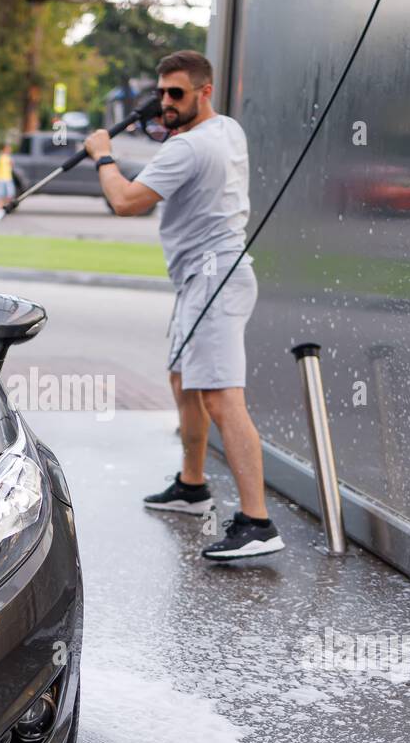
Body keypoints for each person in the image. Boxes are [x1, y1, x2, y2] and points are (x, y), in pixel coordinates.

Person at [83, 50, 283, 561]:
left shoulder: (187, 150)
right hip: (208, 278)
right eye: (161, 93)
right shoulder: (227, 131)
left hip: (213, 281)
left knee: (220, 398)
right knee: (182, 379)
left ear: (204, 91)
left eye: (177, 93)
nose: (166, 102)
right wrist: (166, 125)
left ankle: (258, 522)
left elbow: (126, 201)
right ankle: (193, 487)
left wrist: (103, 153)